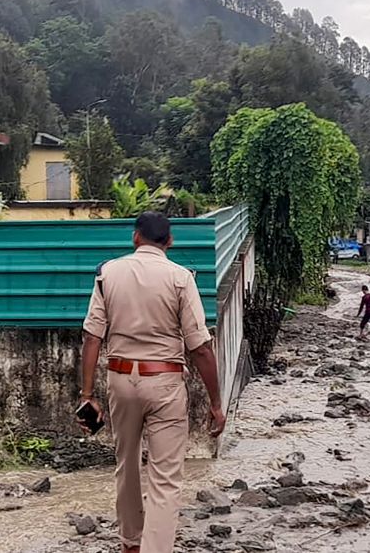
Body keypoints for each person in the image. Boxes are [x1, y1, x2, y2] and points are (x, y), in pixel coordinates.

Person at [79, 212, 225, 553]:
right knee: (165, 477)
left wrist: (87, 394)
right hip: (164, 382)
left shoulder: (107, 273)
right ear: (169, 242)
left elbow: (91, 337)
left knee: (126, 464)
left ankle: (130, 543)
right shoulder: (180, 278)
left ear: (135, 238)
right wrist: (216, 403)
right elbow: (200, 348)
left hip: (120, 379)